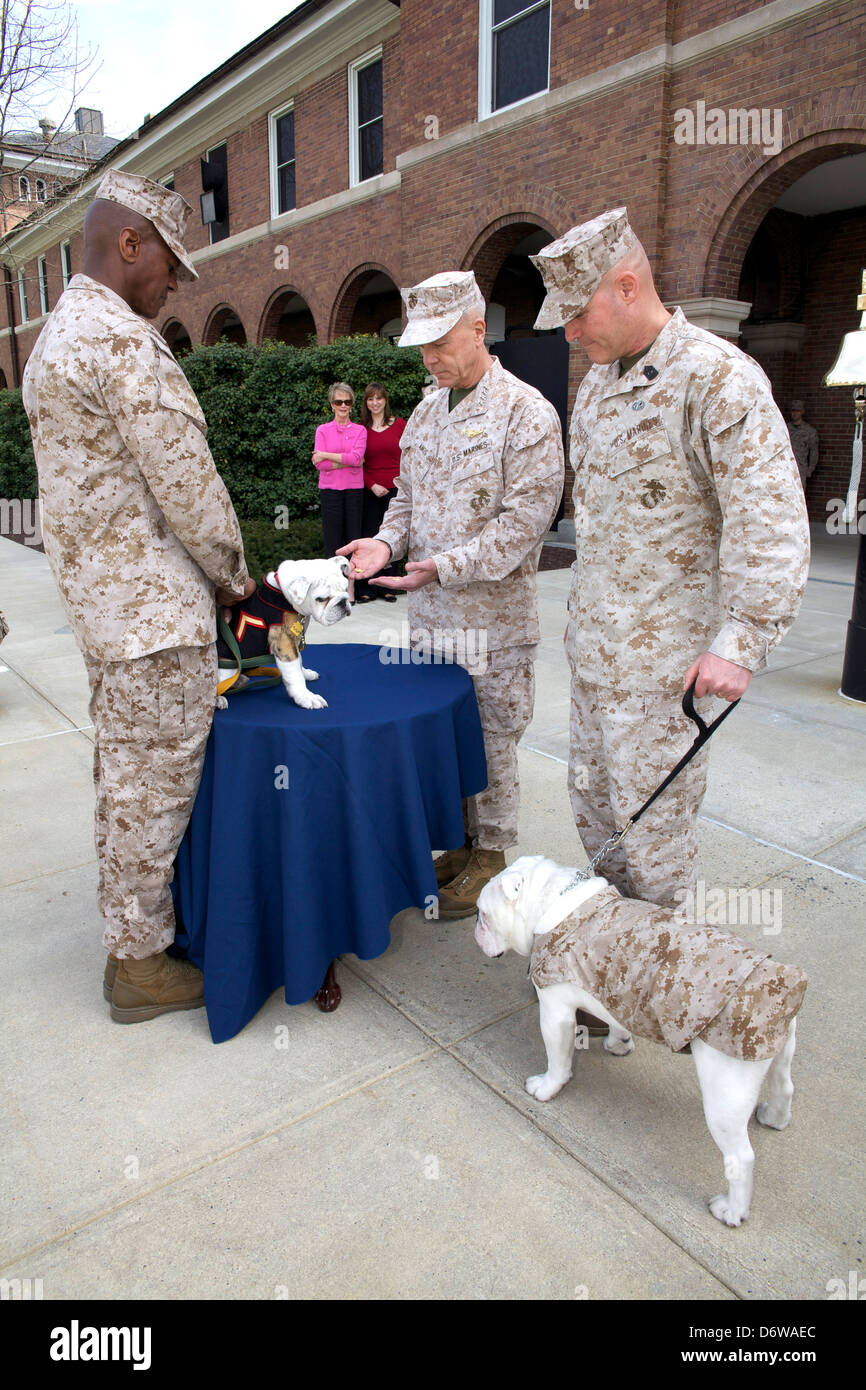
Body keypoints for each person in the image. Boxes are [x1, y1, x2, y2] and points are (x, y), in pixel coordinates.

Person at [22, 170, 255, 1024]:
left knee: (126, 778)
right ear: (130, 244)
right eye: (169, 266)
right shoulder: (120, 341)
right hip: (153, 620)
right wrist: (237, 576)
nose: (172, 287)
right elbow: (189, 485)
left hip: (107, 613)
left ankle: (136, 941)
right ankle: (140, 962)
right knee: (149, 790)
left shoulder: (55, 340)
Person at [531, 207, 810, 914]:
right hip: (595, 657)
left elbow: (769, 518)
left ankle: (674, 997)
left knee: (654, 843)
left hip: (665, 673)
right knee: (597, 824)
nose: (567, 334)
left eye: (577, 314)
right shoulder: (597, 383)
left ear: (627, 286)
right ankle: (618, 981)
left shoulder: (718, 380)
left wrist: (741, 643)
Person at [339, 271, 564, 918]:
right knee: (444, 738)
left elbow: (523, 528)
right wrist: (386, 544)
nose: (430, 357)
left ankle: (492, 854)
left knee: (492, 741)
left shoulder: (526, 413)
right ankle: (460, 842)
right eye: (421, 346)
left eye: (440, 342)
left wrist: (440, 565)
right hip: (432, 617)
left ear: (477, 327)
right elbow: (407, 499)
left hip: (494, 624)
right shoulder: (429, 409)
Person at [356, 382, 405, 603]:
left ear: (385, 400)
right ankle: (366, 586)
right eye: (370, 399)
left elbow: (409, 457)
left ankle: (389, 586)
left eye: (379, 398)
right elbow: (357, 463)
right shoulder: (360, 429)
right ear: (366, 403)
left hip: (397, 490)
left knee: (392, 536)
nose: (375, 403)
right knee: (370, 537)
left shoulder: (400, 425)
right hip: (371, 490)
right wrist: (371, 484)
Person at [312, 382, 366, 559]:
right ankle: (332, 584)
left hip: (354, 491)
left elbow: (357, 458)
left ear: (352, 405)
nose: (343, 405)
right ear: (332, 405)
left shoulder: (360, 430)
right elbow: (321, 465)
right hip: (330, 491)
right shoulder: (322, 430)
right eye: (338, 402)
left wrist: (326, 454)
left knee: (354, 540)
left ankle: (353, 584)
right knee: (332, 541)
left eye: (347, 402)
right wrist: (349, 462)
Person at [787, 400, 819, 490]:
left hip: (800, 467)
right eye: (793, 411)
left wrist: (810, 469)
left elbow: (814, 451)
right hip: (786, 466)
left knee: (799, 491)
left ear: (802, 412)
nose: (794, 413)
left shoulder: (809, 431)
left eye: (797, 411)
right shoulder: (785, 428)